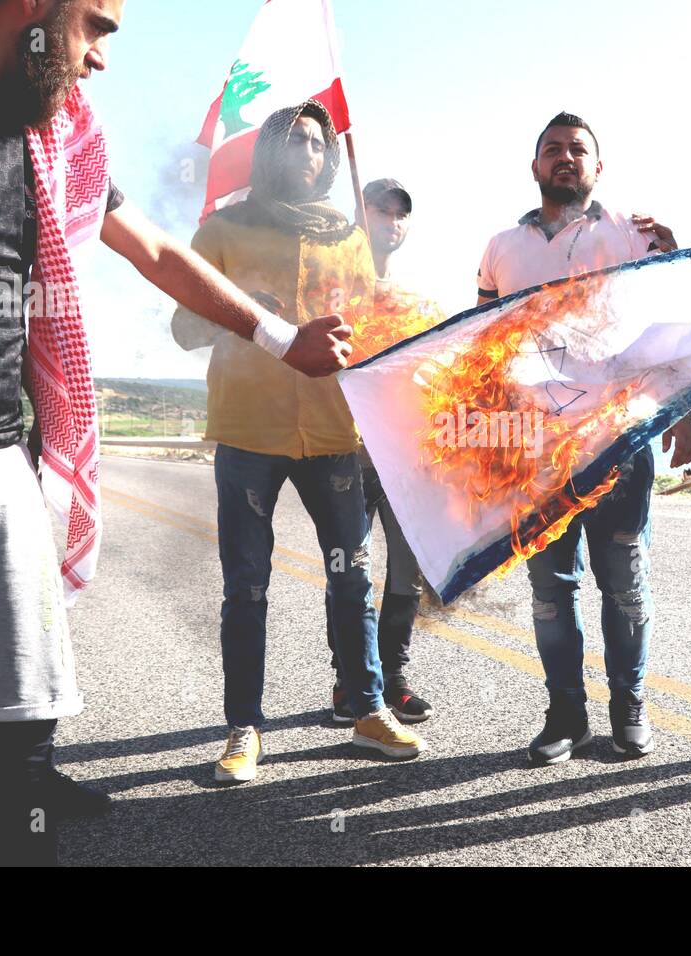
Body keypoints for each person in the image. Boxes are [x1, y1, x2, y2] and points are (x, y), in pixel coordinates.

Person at [0, 0, 348, 868]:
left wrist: (278, 336)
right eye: (98, 25)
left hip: (3, 460)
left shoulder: (59, 137)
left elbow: (151, 247)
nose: (102, 58)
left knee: (24, 729)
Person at [172, 102, 429, 786]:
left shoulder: (348, 235)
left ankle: (369, 710)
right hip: (248, 432)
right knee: (246, 589)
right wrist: (233, 304)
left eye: (318, 143)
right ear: (266, 154)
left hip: (335, 432)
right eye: (293, 140)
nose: (307, 151)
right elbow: (182, 329)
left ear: (332, 159)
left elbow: (370, 332)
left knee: (351, 579)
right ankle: (244, 730)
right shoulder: (222, 230)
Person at [475, 111, 691, 766]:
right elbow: (483, 348)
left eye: (578, 149)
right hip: (535, 450)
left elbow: (671, 324)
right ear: (535, 167)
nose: (565, 157)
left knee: (625, 583)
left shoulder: (633, 232)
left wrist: (683, 414)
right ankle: (565, 713)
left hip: (619, 442)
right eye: (553, 150)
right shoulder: (500, 248)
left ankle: (629, 708)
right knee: (550, 589)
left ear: (599, 167)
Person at [325, 178, 442, 725]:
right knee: (350, 571)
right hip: (346, 454)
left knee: (405, 575)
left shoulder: (419, 302)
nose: (391, 220)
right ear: (358, 213)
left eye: (401, 213)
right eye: (380, 210)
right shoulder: (329, 290)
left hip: (405, 459)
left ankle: (392, 678)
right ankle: (349, 682)